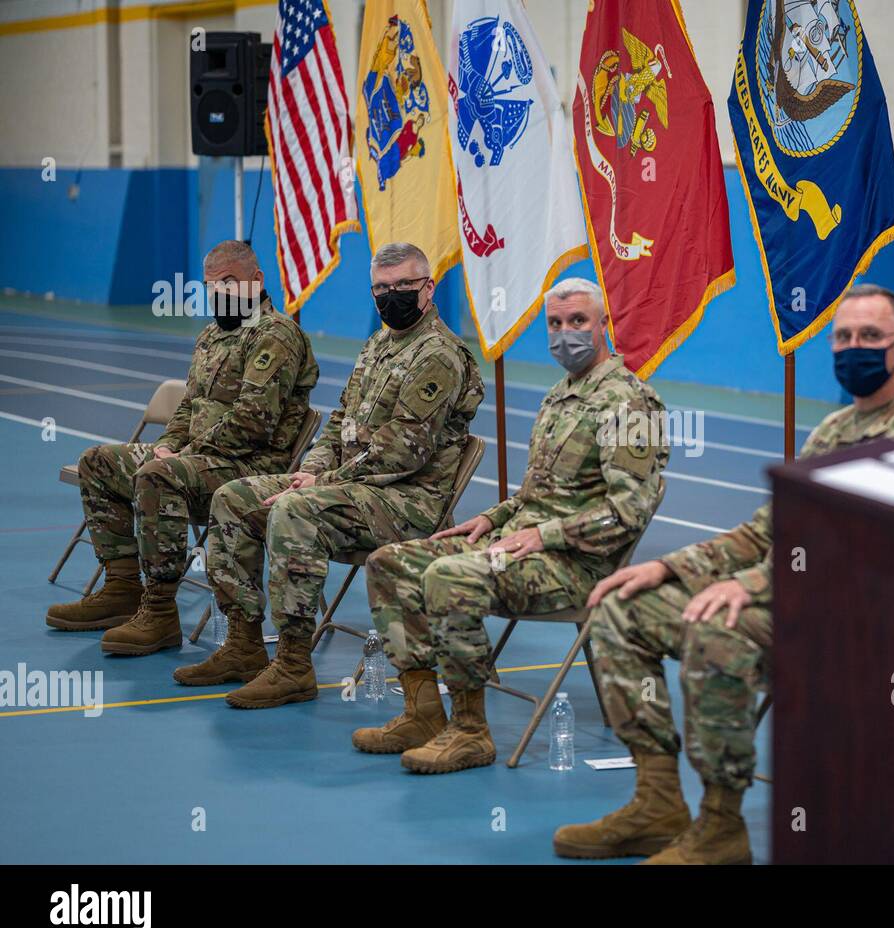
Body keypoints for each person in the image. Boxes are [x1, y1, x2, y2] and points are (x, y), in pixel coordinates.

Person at [554, 284, 894, 864]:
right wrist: (667, 567)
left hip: (871, 635)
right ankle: (657, 803)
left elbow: (876, 563)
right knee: (621, 608)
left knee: (716, 634)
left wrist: (750, 586)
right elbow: (764, 532)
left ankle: (722, 825)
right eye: (844, 337)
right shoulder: (836, 431)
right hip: (796, 610)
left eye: (870, 336)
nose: (855, 347)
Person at [353, 276, 668, 774]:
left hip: (573, 565)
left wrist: (545, 535)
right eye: (555, 324)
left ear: (605, 322)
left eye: (578, 321)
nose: (565, 333)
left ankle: (470, 732)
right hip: (513, 548)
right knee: (389, 563)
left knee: (449, 577)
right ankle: (423, 713)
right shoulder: (560, 395)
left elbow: (628, 513)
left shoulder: (631, 404)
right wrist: (491, 517)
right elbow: (533, 496)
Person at [173, 242, 484, 707]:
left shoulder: (438, 354)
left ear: (428, 288)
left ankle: (294, 664)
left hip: (407, 501)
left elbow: (403, 451)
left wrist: (324, 482)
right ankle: (243, 643)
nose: (392, 295)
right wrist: (314, 469)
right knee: (233, 498)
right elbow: (340, 424)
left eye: (403, 285)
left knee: (296, 510)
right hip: (351, 487)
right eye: (381, 288)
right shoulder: (379, 345)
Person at [46, 240, 319, 656]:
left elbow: (253, 422)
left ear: (257, 279)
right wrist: (168, 444)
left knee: (158, 476)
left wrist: (183, 453)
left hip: (249, 466)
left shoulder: (275, 335)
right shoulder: (212, 335)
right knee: (98, 463)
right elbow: (189, 405)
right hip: (198, 458)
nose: (220, 293)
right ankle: (121, 589)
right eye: (212, 285)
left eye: (230, 282)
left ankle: (160, 612)